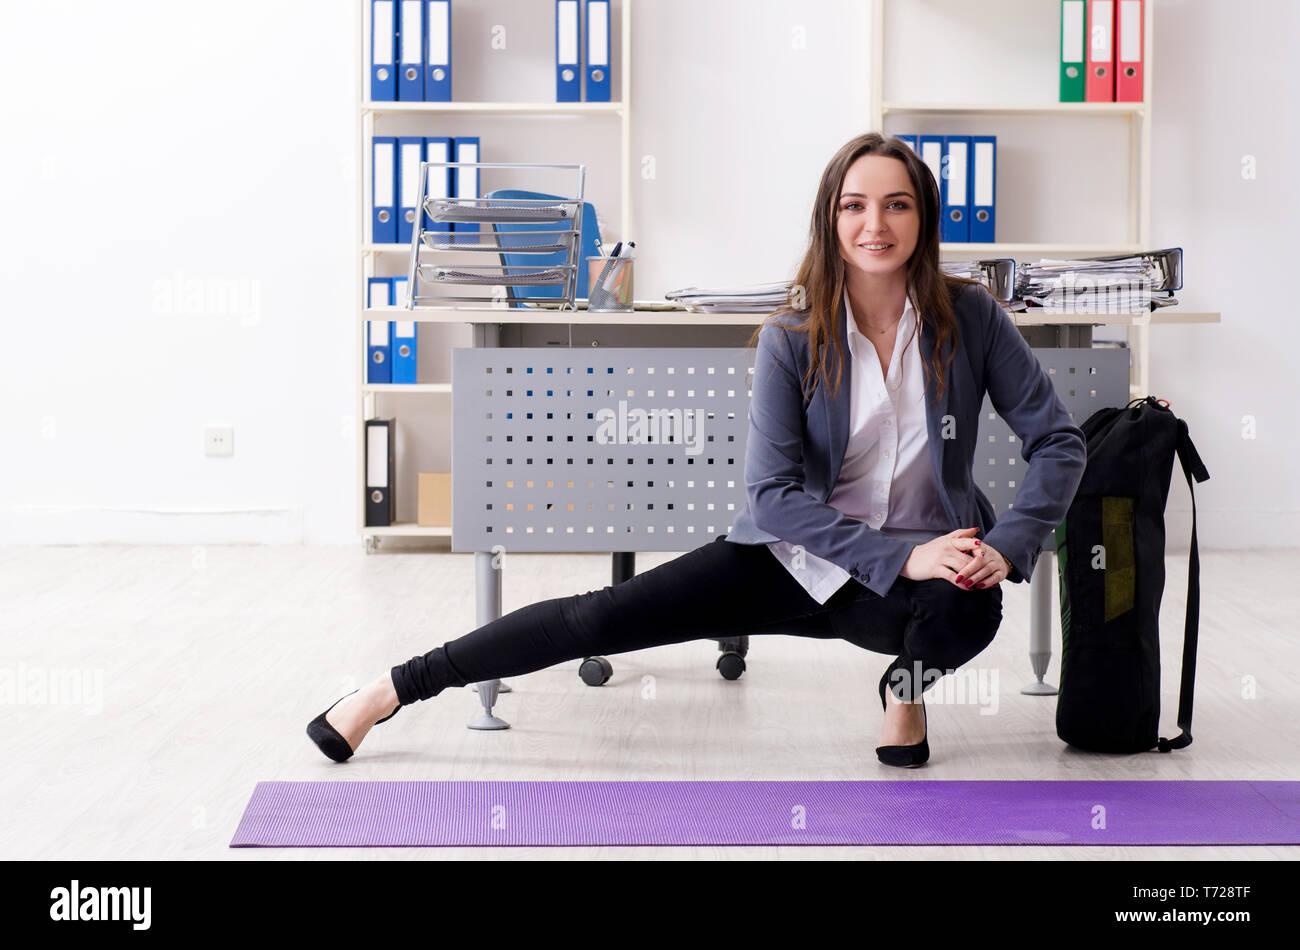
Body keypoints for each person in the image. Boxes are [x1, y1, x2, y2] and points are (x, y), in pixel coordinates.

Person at [307, 131, 1087, 768]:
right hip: (787, 557)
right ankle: (389, 691)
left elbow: (1057, 441)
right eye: (854, 206)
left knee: (967, 611)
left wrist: (1009, 544)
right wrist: (897, 559)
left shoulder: (970, 317)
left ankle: (905, 693)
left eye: (896, 205)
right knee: (595, 620)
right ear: (830, 218)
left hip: (913, 575)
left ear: (923, 218)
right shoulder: (793, 334)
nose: (874, 225)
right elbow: (773, 496)